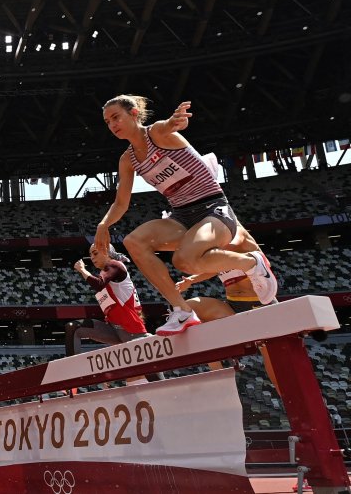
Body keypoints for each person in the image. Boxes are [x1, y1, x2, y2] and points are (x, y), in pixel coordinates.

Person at [93, 96, 274, 335]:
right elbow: (121, 202)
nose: (112, 125)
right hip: (182, 216)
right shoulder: (127, 160)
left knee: (184, 260)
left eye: (116, 117)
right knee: (133, 241)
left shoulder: (156, 133)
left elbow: (168, 125)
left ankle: (252, 263)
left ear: (134, 113)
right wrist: (103, 224)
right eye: (107, 122)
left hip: (213, 208)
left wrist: (175, 122)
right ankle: (183, 311)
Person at [174, 226, 280, 393]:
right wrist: (191, 280)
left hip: (261, 305)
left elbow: (225, 250)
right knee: (188, 308)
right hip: (233, 306)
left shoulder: (237, 232)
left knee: (275, 368)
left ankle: (288, 398)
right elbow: (214, 267)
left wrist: (199, 247)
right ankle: (220, 374)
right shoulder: (212, 247)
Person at [66, 243, 162, 386]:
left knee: (155, 381)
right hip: (114, 331)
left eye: (95, 253)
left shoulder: (114, 265)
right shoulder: (106, 273)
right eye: (90, 255)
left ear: (107, 252)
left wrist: (82, 270)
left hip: (132, 331)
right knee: (74, 328)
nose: (92, 257)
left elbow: (98, 284)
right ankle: (72, 378)